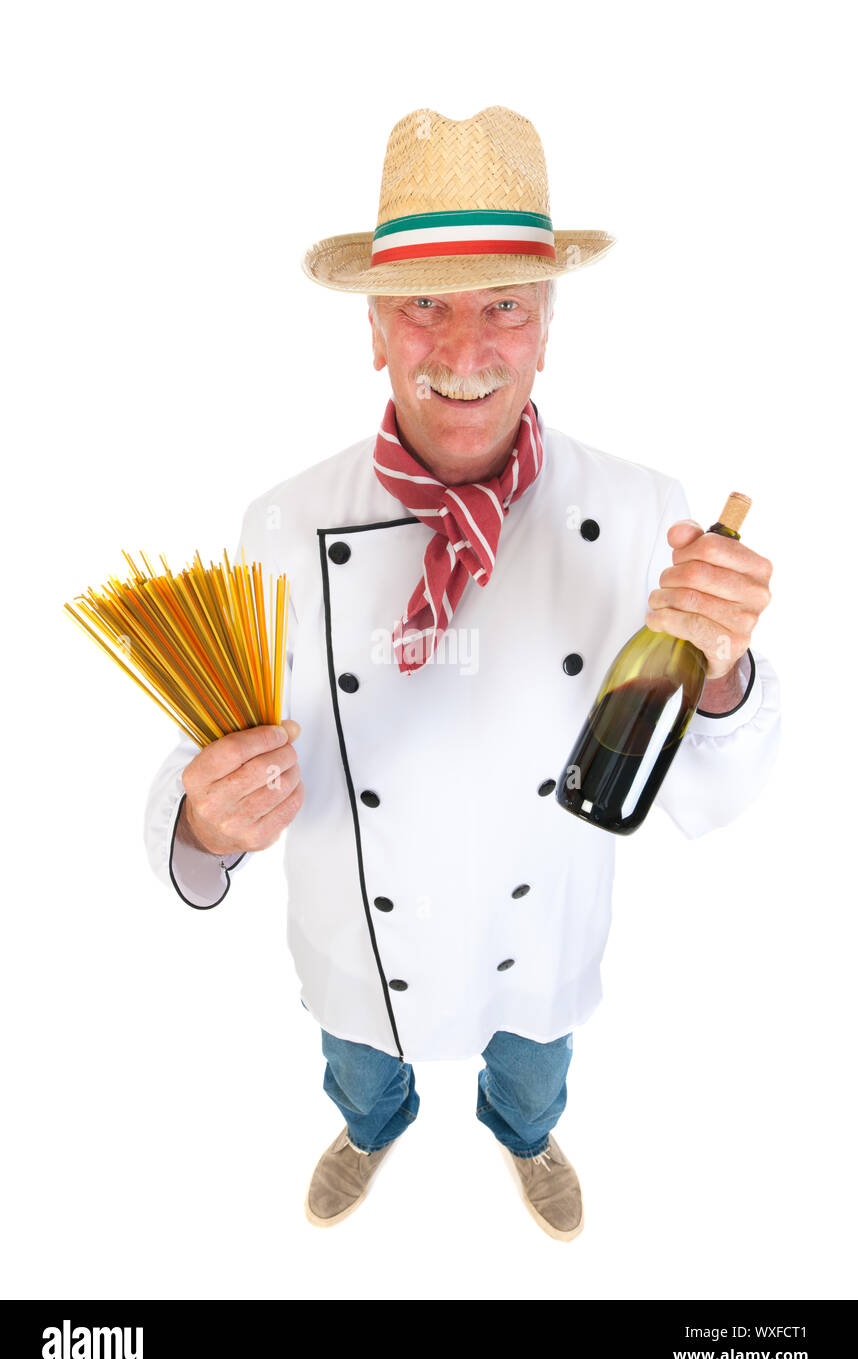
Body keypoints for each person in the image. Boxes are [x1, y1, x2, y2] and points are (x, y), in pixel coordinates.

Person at [144, 106, 781, 1241]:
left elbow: (711, 798)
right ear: (374, 331)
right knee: (357, 1069)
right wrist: (200, 819)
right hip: (359, 943)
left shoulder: (641, 511)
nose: (462, 350)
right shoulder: (282, 524)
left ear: (546, 330)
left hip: (537, 943)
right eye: (422, 305)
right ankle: (368, 1127)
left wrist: (724, 678)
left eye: (502, 305)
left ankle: (523, 1137)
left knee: (535, 1077)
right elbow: (209, 747)